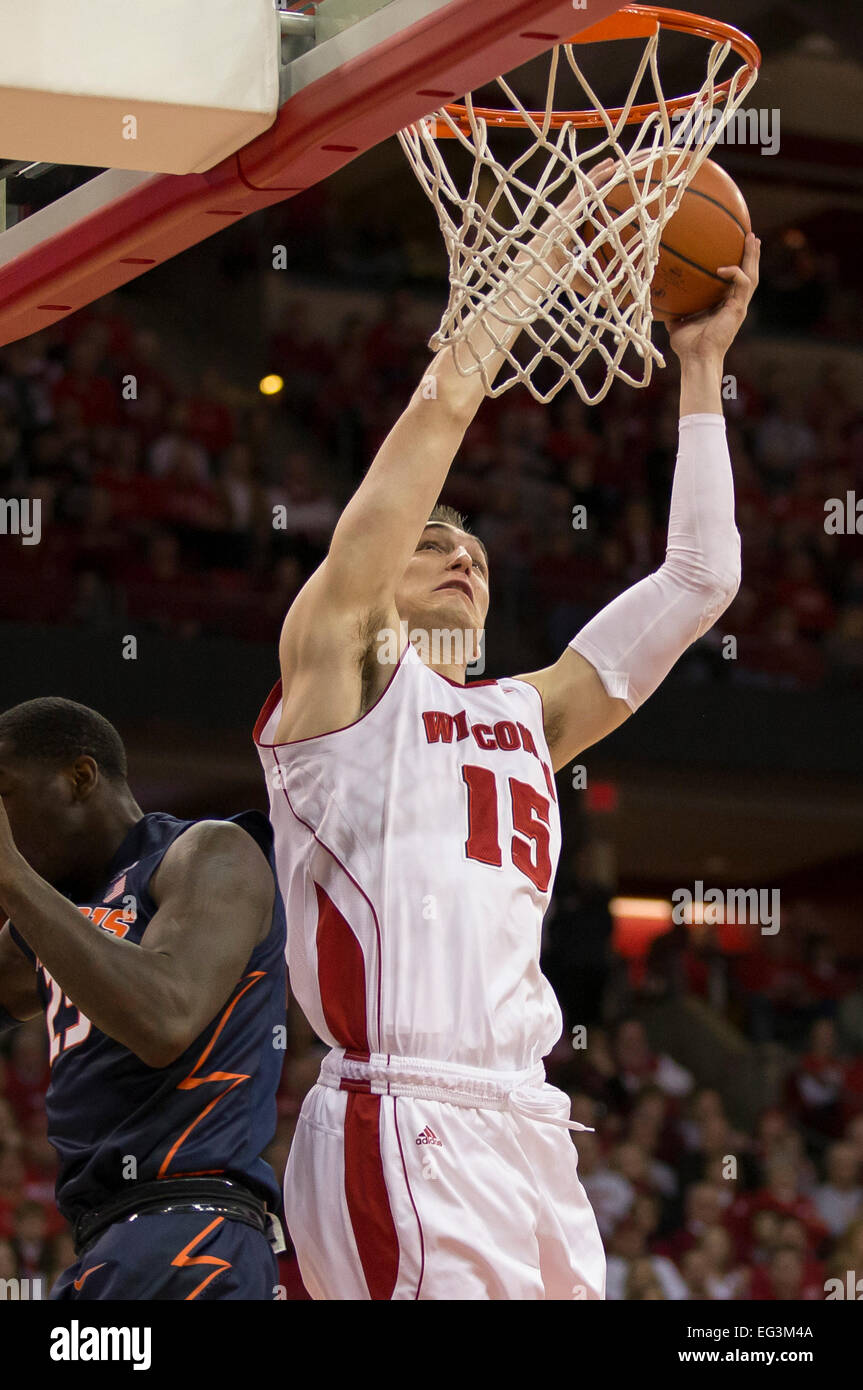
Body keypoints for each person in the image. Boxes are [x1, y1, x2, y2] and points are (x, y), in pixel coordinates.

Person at [254, 183, 760, 1298]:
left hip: (528, 1120)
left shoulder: (533, 711)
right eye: (430, 541)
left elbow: (698, 578)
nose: (461, 552)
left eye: (474, 547)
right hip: (400, 1107)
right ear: (374, 575)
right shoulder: (336, 681)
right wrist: (525, 275)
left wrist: (698, 365)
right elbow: (433, 423)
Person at [0, 697, 286, 1300]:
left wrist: (10, 874)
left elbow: (165, 1017)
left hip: (191, 1232)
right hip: (106, 1246)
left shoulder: (208, 853)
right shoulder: (56, 912)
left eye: (3, 795)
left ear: (80, 777)